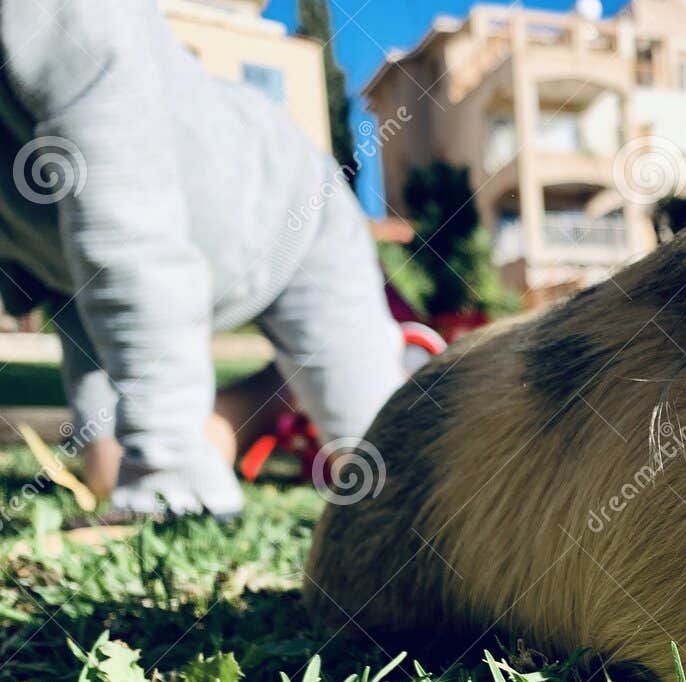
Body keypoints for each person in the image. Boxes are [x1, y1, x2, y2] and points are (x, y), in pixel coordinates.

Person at [0, 0, 405, 517]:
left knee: (378, 461)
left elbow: (135, 245)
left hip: (296, 223)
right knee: (106, 473)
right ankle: (278, 386)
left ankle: (301, 380)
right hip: (74, 278)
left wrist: (168, 468)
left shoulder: (80, 19)